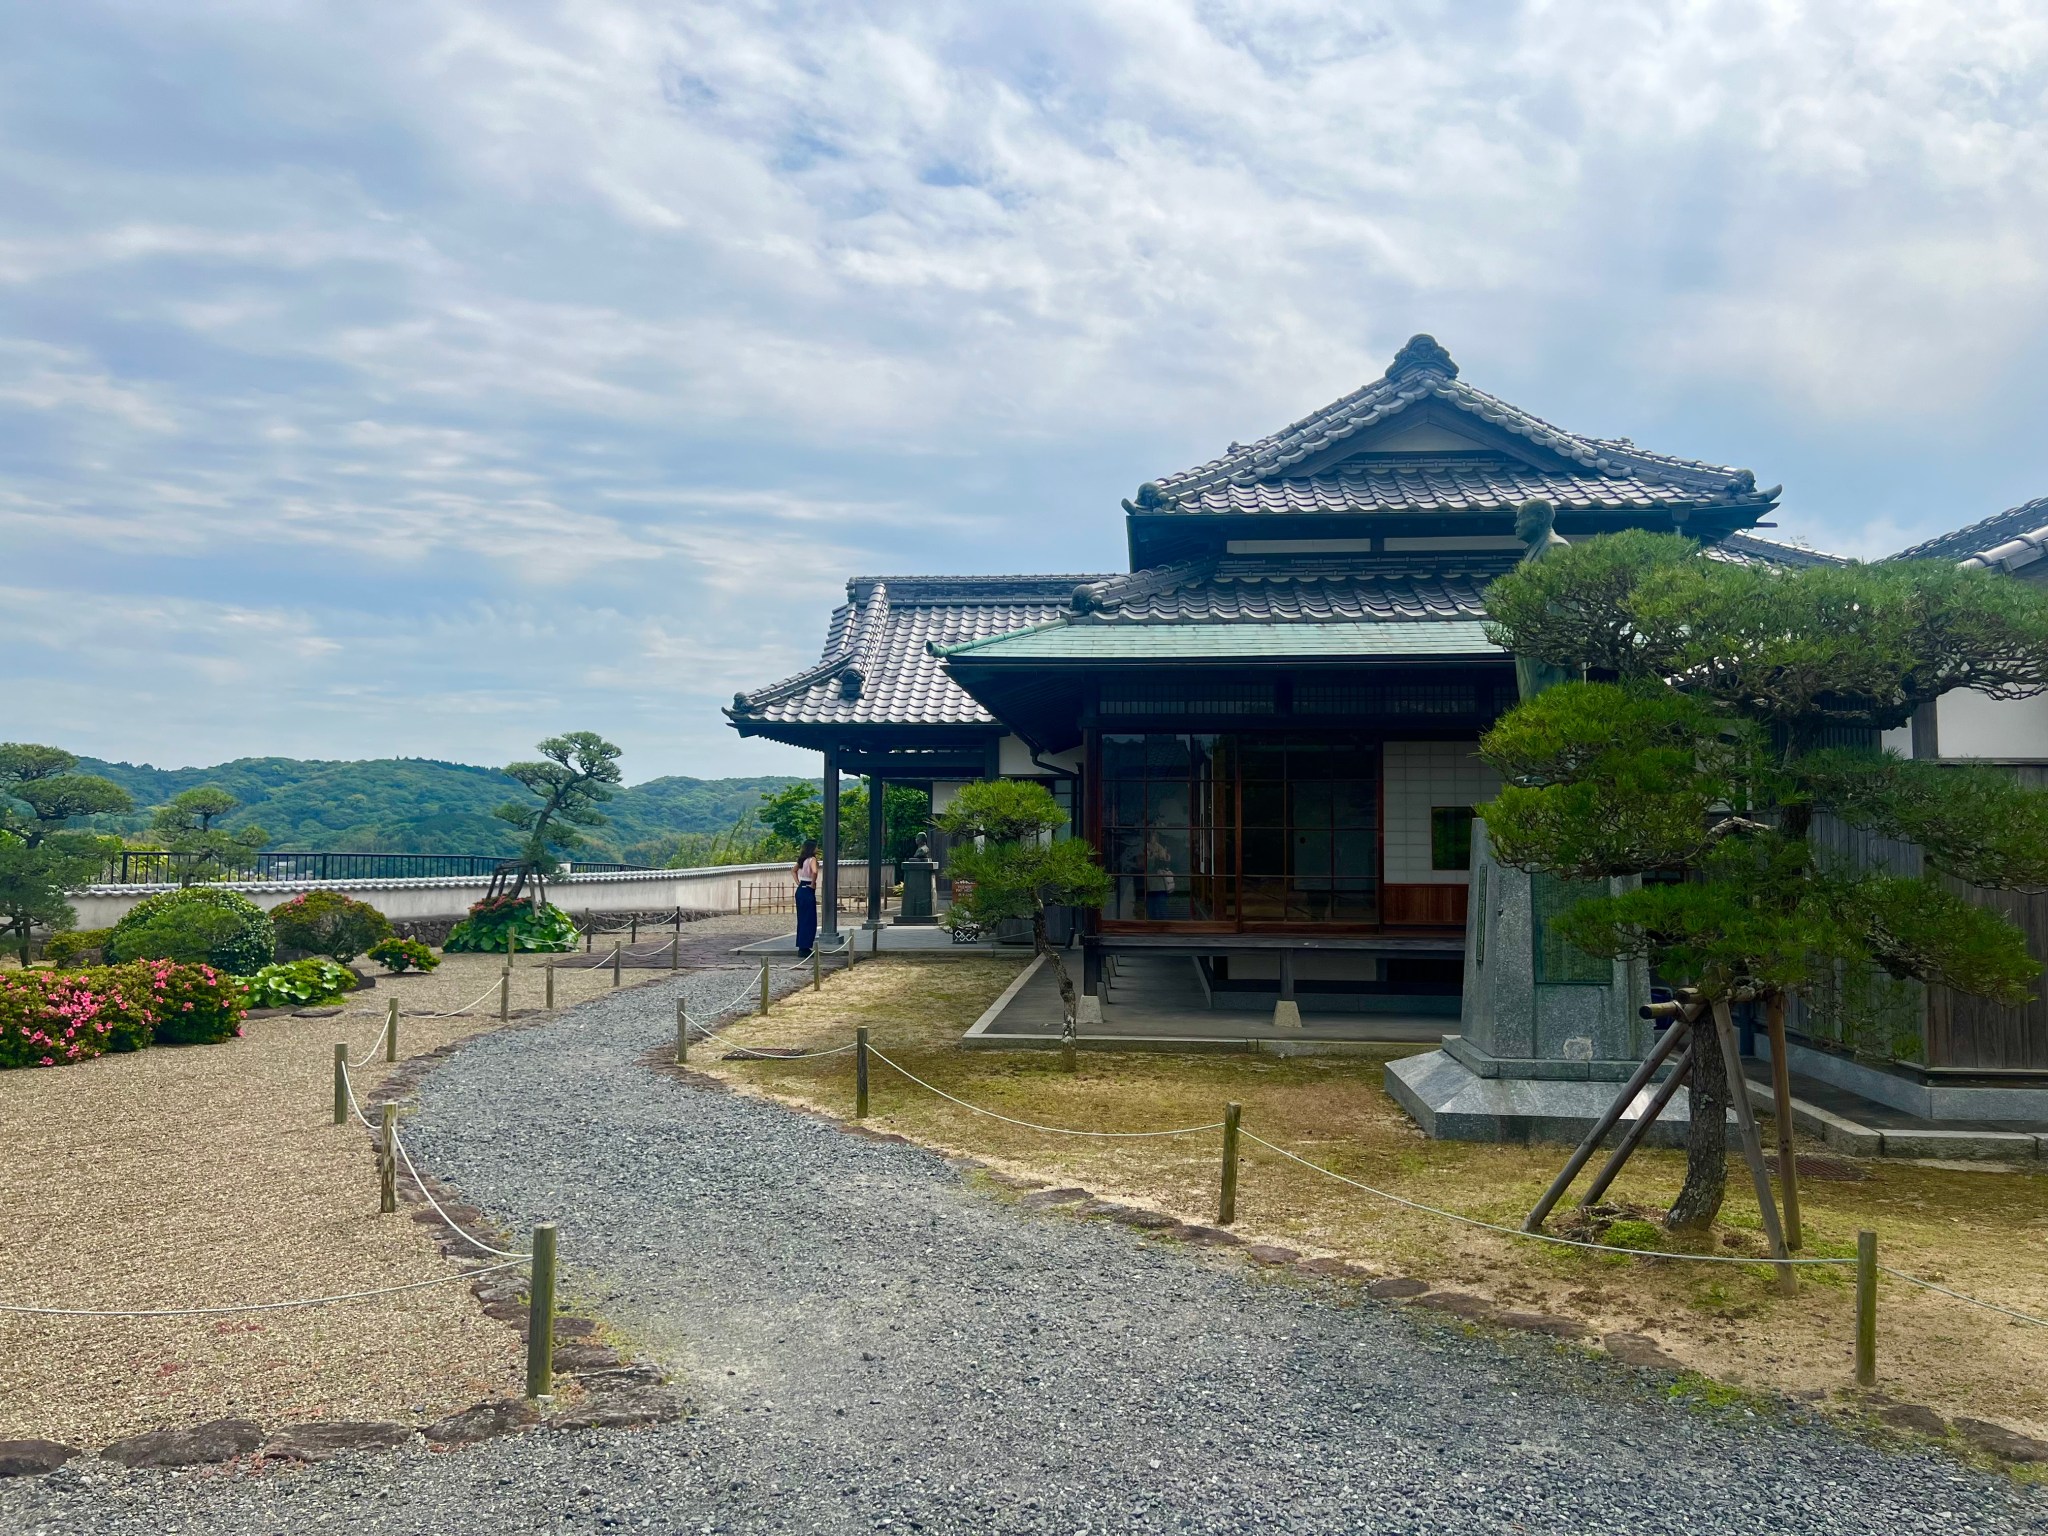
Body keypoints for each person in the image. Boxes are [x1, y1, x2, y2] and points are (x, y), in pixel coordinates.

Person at [793, 838, 820, 958]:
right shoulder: (812, 859)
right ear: (812, 848)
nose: (817, 848)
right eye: (816, 847)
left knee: (802, 918)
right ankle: (806, 946)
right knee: (809, 919)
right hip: (808, 887)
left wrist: (798, 882)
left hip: (801, 888)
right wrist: (813, 883)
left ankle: (802, 946)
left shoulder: (802, 859)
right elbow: (814, 872)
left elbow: (793, 871)